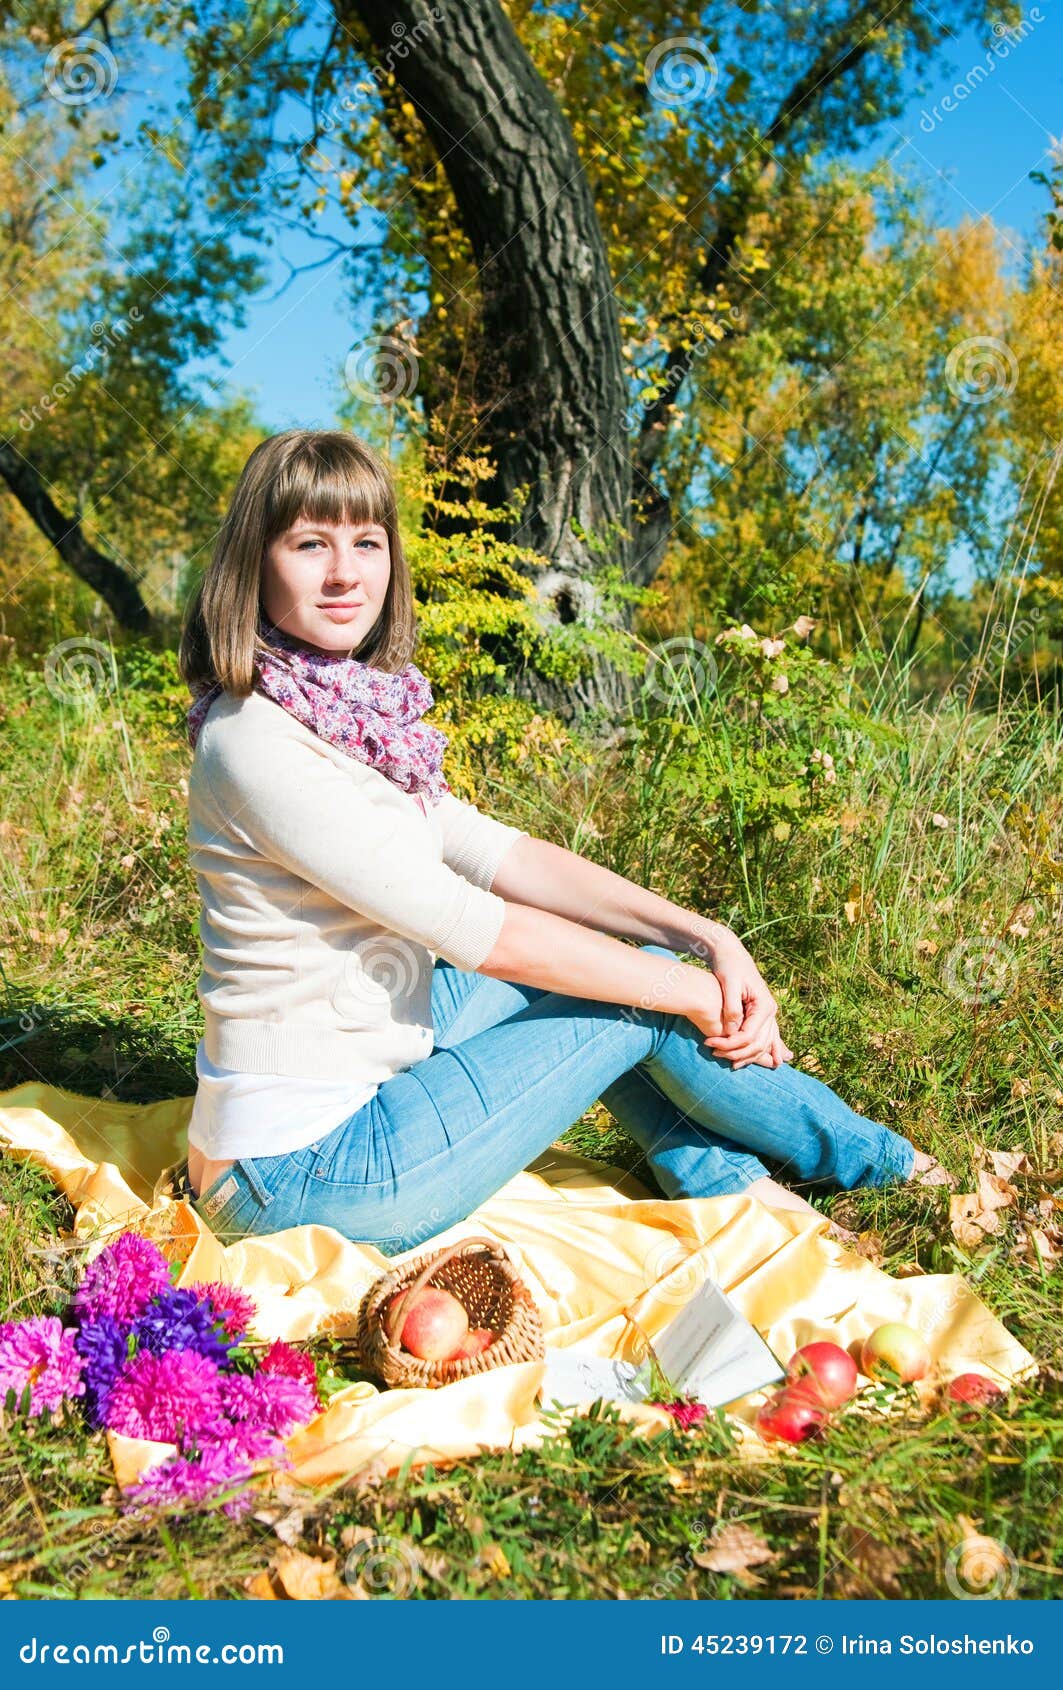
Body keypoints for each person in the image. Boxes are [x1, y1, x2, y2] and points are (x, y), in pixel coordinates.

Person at [176, 428, 949, 1253]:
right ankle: (889, 1168)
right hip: (301, 1173)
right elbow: (470, 925)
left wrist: (703, 936)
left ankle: (723, 1184)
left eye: (367, 542)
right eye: (309, 544)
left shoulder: (341, 714)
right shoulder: (256, 739)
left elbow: (491, 849)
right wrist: (689, 994)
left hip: (362, 1061)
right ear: (254, 562)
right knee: (639, 1003)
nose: (345, 574)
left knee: (643, 977)